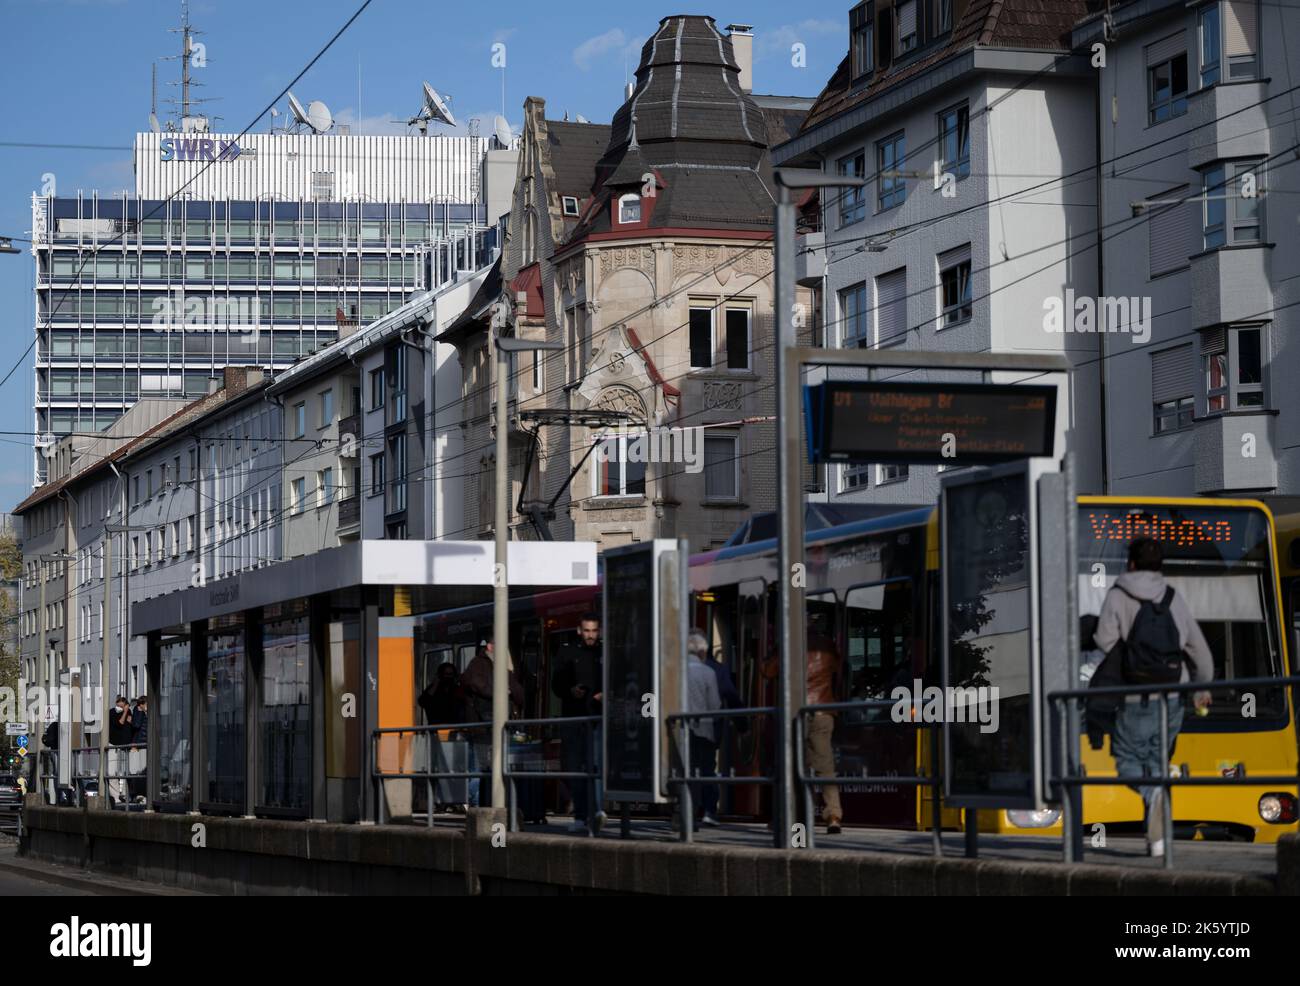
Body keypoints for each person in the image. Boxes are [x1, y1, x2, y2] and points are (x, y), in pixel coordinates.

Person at [1093, 537, 1213, 858]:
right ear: (1159, 566)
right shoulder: (1173, 598)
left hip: (1134, 695)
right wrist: (1201, 689)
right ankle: (1158, 841)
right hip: (1173, 695)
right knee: (1158, 763)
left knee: (1128, 762)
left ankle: (1152, 797)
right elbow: (1199, 651)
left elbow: (1105, 641)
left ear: (1131, 563)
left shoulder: (1118, 595)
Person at [550, 613, 604, 833]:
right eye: (587, 631)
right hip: (573, 716)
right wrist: (571, 691)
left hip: (597, 717)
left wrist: (604, 694)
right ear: (579, 631)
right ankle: (581, 814)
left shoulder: (605, 653)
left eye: (594, 631)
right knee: (575, 767)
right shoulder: (567, 653)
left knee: (596, 765)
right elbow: (556, 685)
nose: (591, 635)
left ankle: (598, 810)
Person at [461, 637, 524, 808]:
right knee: (478, 769)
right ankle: (475, 805)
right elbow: (476, 685)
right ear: (490, 647)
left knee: (500, 766)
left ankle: (499, 803)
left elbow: (519, 692)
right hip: (482, 727)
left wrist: (512, 689)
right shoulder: (477, 664)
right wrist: (502, 692)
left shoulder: (504, 667)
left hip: (503, 727)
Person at [805, 632, 844, 835]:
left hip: (797, 711)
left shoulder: (789, 638)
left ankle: (797, 820)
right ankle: (834, 816)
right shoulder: (827, 644)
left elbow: (767, 670)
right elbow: (840, 670)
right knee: (825, 766)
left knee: (794, 767)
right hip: (824, 710)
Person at [685, 629, 722, 826]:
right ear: (702, 651)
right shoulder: (708, 672)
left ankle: (687, 813)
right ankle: (709, 811)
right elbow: (715, 705)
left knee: (687, 771)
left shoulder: (675, 672)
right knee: (707, 770)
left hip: (682, 731)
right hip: (705, 731)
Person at [107, 696, 133, 806]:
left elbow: (130, 724)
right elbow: (120, 723)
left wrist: (128, 714)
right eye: (119, 706)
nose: (120, 708)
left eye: (123, 706)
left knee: (126, 772)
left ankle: (126, 795)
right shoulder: (112, 712)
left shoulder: (129, 712)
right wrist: (125, 712)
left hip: (125, 746)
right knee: (112, 772)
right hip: (113, 744)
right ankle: (115, 796)